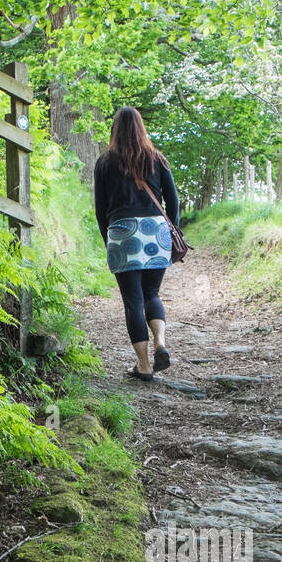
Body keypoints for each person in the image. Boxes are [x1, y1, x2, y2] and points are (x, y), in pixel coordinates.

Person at [93, 106, 180, 382]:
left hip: (123, 233)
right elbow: (173, 201)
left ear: (115, 130)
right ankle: (161, 343)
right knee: (152, 293)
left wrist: (109, 240)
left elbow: (100, 209)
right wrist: (170, 229)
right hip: (156, 233)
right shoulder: (157, 159)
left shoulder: (105, 163)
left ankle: (143, 366)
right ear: (141, 128)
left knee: (133, 301)